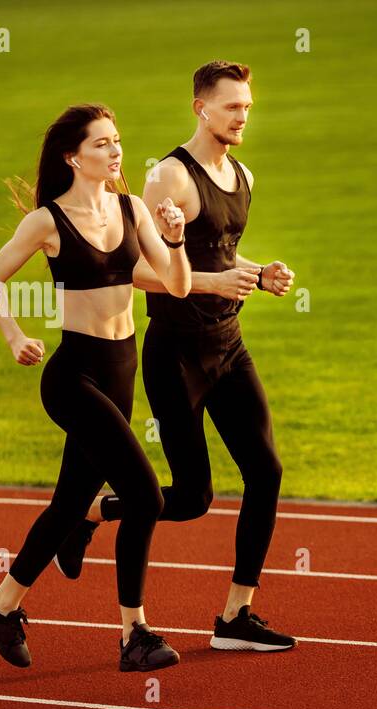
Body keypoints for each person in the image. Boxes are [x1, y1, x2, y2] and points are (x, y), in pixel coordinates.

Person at [56, 62, 297, 653]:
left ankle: (236, 616)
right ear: (201, 108)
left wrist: (258, 273)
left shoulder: (242, 175)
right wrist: (215, 284)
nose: (243, 117)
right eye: (232, 107)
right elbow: (141, 271)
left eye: (247, 106)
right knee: (191, 499)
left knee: (266, 472)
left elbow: (218, 253)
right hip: (177, 355)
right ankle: (93, 513)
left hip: (228, 346)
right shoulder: (168, 178)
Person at [0, 103, 192, 671]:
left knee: (69, 504)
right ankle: (133, 633)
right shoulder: (48, 221)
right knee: (146, 496)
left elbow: (176, 285)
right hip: (74, 377)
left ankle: (1, 604)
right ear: (73, 156)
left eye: (117, 141)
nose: (115, 151)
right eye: (102, 144)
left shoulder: (132, 208)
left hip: (123, 370)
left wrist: (176, 238)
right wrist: (13, 334)